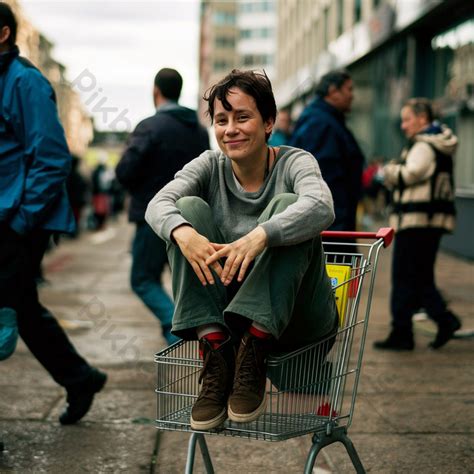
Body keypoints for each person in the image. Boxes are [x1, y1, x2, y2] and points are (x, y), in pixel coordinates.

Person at [145, 69, 338, 431]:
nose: (230, 129)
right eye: (221, 120)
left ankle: (255, 345)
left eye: (242, 117)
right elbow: (159, 204)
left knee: (288, 205)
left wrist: (262, 235)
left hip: (299, 321)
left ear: (268, 122)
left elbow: (321, 205)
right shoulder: (208, 165)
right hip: (229, 322)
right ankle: (218, 351)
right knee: (185, 211)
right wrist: (183, 232)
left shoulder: (296, 161)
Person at [0, 3, 106, 425]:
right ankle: (79, 377)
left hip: (14, 221)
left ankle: (79, 377)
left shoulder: (25, 81)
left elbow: (51, 157)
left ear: (4, 33)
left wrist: (21, 220)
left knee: (11, 313)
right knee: (22, 310)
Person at [116, 68, 209, 345]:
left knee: (143, 278)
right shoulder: (199, 131)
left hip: (153, 216)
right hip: (190, 217)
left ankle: (174, 328)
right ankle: (188, 328)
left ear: (156, 91)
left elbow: (125, 170)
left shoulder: (150, 127)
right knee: (184, 279)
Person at [374, 98, 461, 351]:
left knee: (405, 277)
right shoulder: (438, 143)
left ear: (422, 119)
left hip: (416, 222)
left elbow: (412, 173)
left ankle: (405, 333)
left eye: (407, 119)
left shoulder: (424, 145)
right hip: (429, 221)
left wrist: (387, 172)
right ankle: (440, 322)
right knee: (420, 277)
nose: (403, 125)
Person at [289, 70, 365, 236]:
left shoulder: (325, 120)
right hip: (333, 225)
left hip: (335, 220)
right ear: (333, 91)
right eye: (348, 89)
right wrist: (338, 226)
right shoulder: (321, 124)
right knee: (335, 262)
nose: (352, 95)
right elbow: (325, 179)